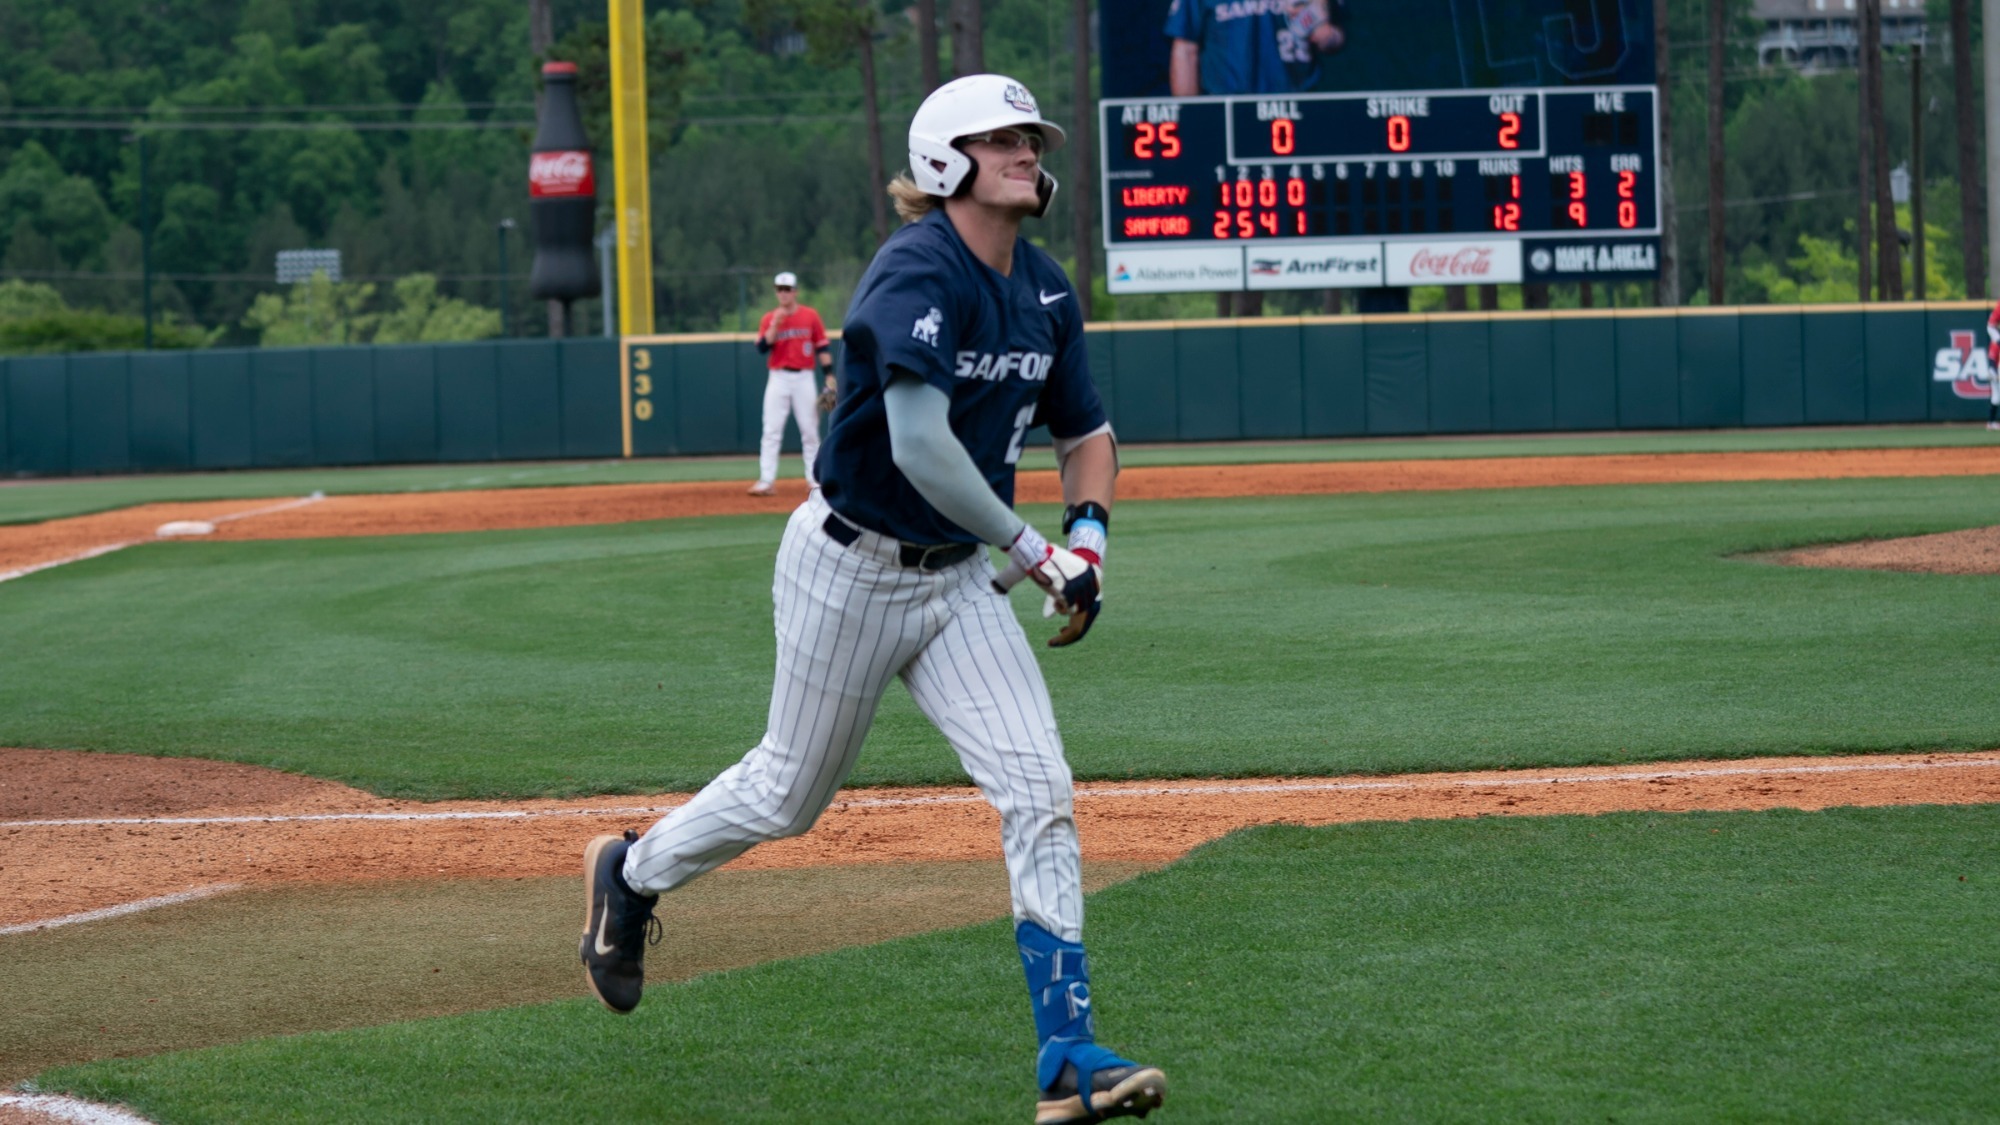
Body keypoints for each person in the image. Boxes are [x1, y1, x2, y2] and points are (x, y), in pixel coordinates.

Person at [578, 73, 1166, 1125]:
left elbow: (1086, 437)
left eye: (1030, 137)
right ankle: (631, 872)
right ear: (946, 162)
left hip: (955, 580)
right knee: (787, 797)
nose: (1028, 152)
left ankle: (1066, 1054)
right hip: (849, 565)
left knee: (1039, 789)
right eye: (1001, 141)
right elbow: (921, 446)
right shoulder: (914, 272)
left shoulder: (1042, 289)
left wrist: (1089, 542)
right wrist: (1036, 550)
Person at [749, 271, 836, 495]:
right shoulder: (770, 318)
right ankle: (767, 481)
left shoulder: (810, 316)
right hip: (778, 376)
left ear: (795, 291)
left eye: (787, 289)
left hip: (804, 377)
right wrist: (775, 325)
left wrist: (829, 375)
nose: (783, 293)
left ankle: (814, 479)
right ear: (776, 292)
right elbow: (762, 348)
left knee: (809, 430)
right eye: (779, 289)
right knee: (771, 429)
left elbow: (822, 347)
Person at [1167, 0, 1345, 96]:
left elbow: (1335, 39)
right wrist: (1188, 116)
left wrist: (1323, 31)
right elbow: (1185, 48)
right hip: (1227, 104)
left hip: (1296, 100)